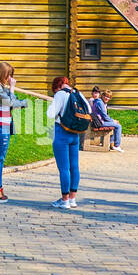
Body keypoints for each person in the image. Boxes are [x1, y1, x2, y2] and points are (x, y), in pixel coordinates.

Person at [0, 61, 27, 203]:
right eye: (9, 75)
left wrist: (18, 101)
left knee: (1, 158)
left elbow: (14, 101)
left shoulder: (2, 86)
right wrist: (13, 88)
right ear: (3, 73)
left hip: (4, 126)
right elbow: (11, 102)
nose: (10, 78)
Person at [48, 75, 89, 209]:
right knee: (74, 167)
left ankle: (64, 200)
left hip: (62, 132)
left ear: (57, 86)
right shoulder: (78, 93)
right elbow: (88, 110)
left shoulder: (60, 94)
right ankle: (72, 199)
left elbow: (50, 114)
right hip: (75, 134)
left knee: (64, 168)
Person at [89, 86, 125, 152]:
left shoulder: (99, 102)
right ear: (102, 95)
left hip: (99, 121)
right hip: (99, 123)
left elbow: (104, 115)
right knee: (118, 126)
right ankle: (116, 145)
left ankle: (111, 144)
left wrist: (113, 121)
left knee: (115, 124)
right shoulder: (100, 102)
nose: (106, 98)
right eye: (105, 96)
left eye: (108, 97)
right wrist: (113, 120)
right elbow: (104, 116)